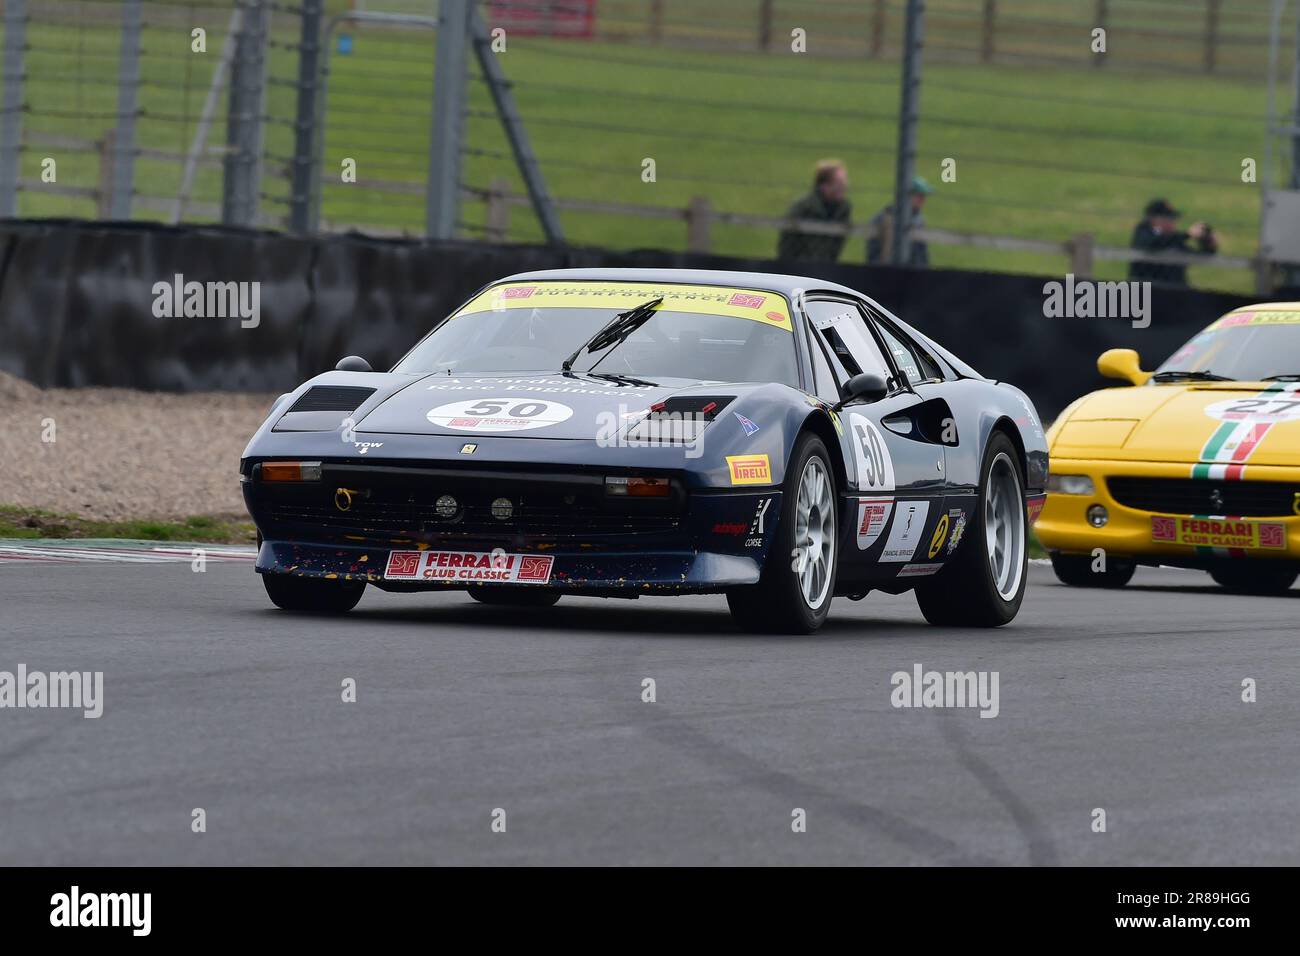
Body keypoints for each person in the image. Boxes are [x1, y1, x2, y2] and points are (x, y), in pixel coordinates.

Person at [1128, 198, 1218, 286]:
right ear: (1157, 219)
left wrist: (1208, 244)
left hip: (1175, 293)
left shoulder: (1172, 239)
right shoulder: (1143, 232)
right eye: (1171, 218)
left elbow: (1196, 256)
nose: (1174, 222)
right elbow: (1153, 245)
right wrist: (1188, 234)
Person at [776, 160, 852, 262]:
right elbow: (787, 245)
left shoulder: (843, 209)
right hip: (798, 267)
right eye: (839, 183)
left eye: (844, 182)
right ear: (824, 185)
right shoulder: (802, 208)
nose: (844, 186)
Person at [867, 175, 933, 267]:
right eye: (920, 196)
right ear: (908, 195)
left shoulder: (919, 221)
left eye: (924, 196)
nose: (923, 200)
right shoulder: (884, 217)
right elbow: (873, 251)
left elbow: (922, 255)